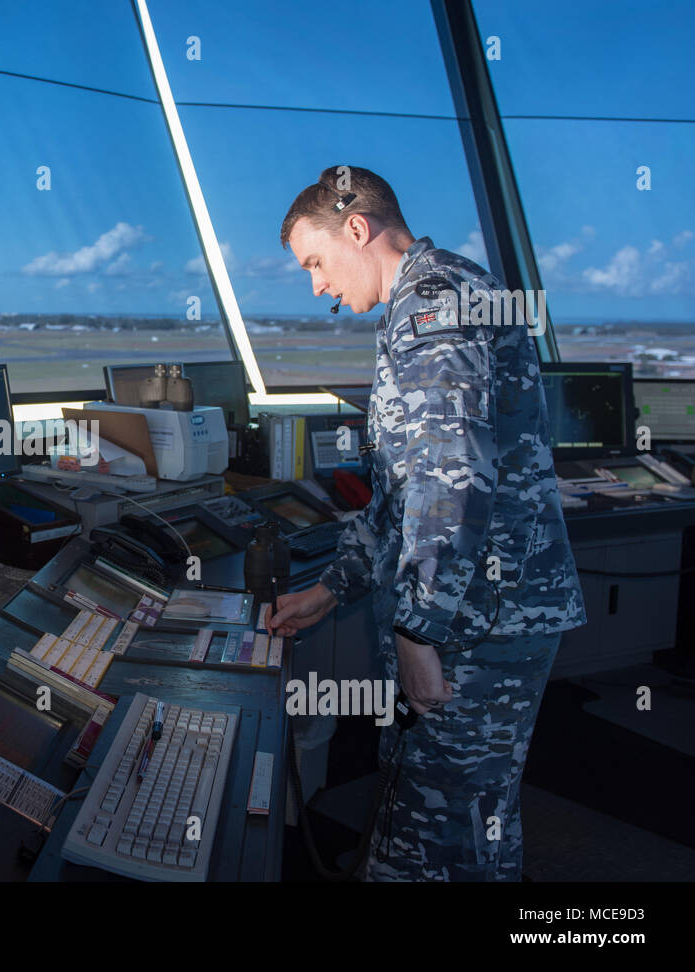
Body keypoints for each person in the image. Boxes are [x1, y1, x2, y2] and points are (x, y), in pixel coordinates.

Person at [265, 165, 587, 881]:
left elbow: (451, 486)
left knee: (454, 822)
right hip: (472, 612)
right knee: (443, 805)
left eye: (315, 261)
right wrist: (331, 590)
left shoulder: (433, 305)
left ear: (357, 228)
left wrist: (418, 631)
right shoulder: (434, 295)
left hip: (478, 621)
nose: (316, 285)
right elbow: (401, 494)